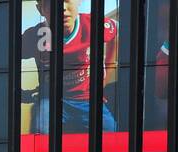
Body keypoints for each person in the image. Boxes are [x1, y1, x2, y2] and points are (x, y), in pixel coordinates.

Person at [21, 0, 119, 134]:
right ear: (41, 10)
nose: (62, 7)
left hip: (87, 99)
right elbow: (5, 56)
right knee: (41, 133)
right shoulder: (35, 36)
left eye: (67, 0)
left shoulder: (93, 25)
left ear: (78, 1)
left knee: (111, 133)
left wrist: (108, 69)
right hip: (52, 100)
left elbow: (116, 32)